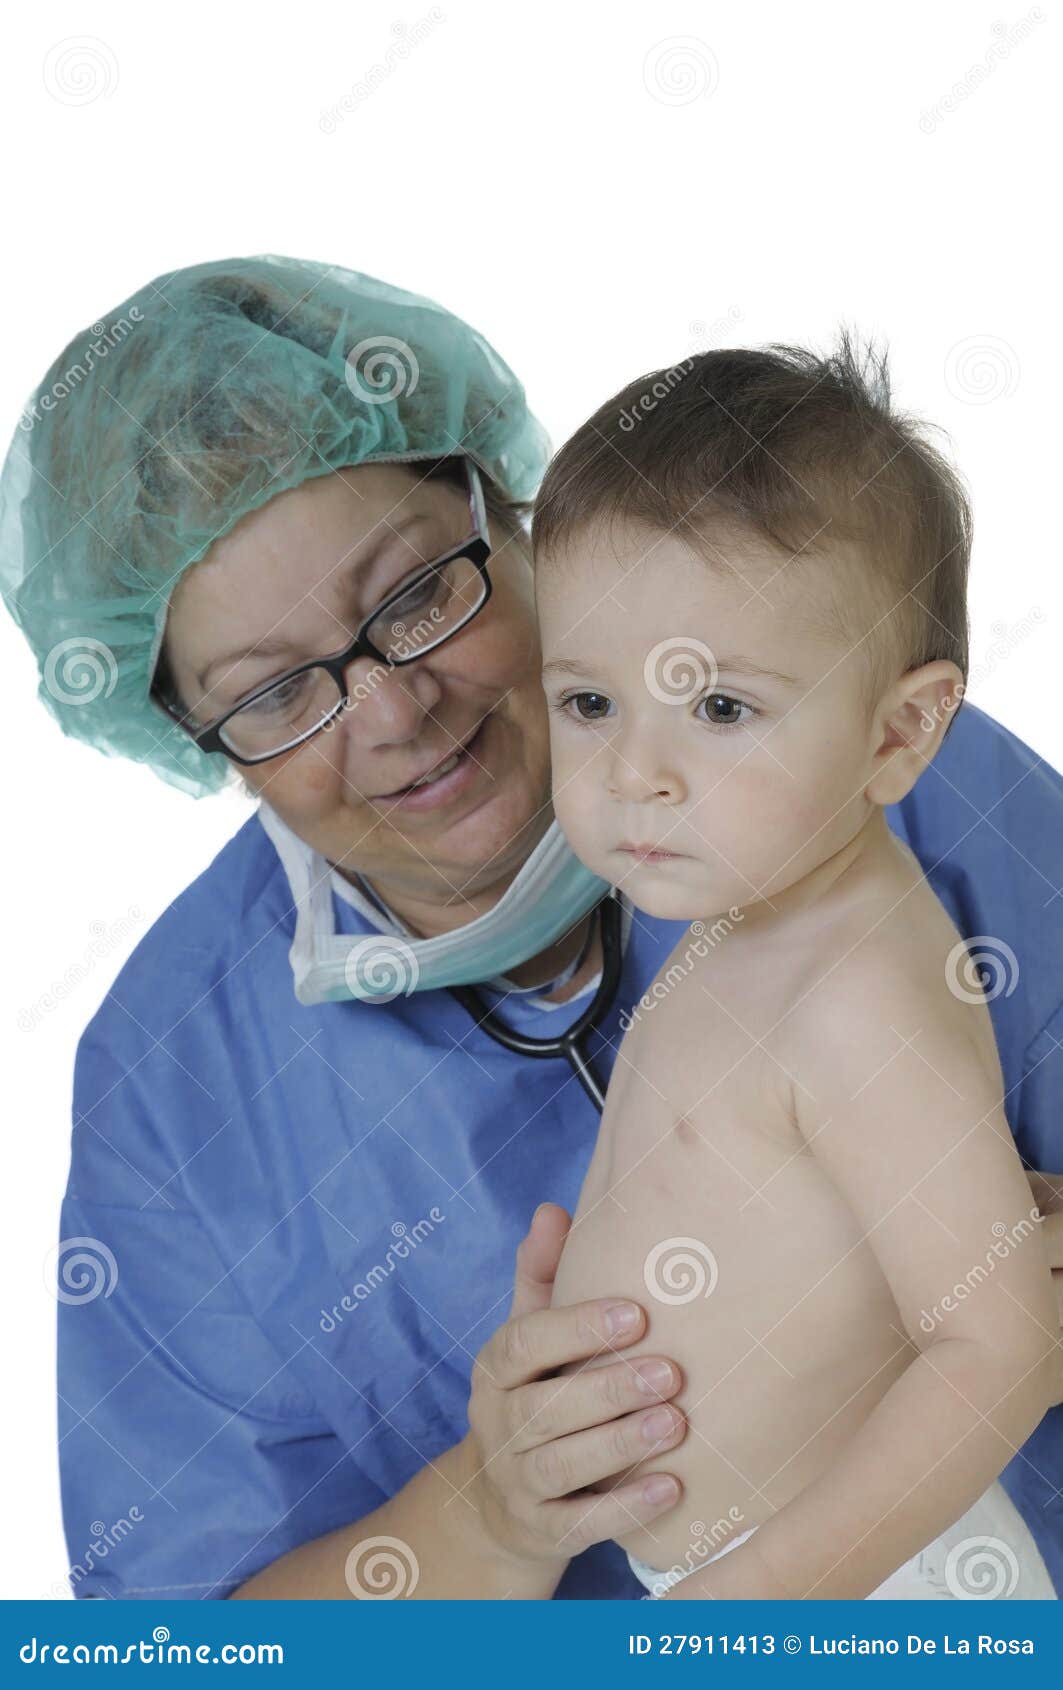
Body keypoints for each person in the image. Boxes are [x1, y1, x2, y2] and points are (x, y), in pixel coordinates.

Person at [0, 258, 1059, 1601]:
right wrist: (489, 1520)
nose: (392, 713)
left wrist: (991, 1300)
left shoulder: (895, 788)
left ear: (510, 515)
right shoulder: (180, 1090)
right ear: (200, 744)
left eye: (415, 595)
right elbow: (187, 1644)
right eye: (271, 694)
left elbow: (993, 1335)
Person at [535, 340, 1059, 1599]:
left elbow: (1003, 1340)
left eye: (719, 709)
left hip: (883, 1583)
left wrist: (755, 1606)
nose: (633, 771)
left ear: (897, 732)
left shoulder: (856, 987)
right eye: (588, 703)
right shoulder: (742, 927)